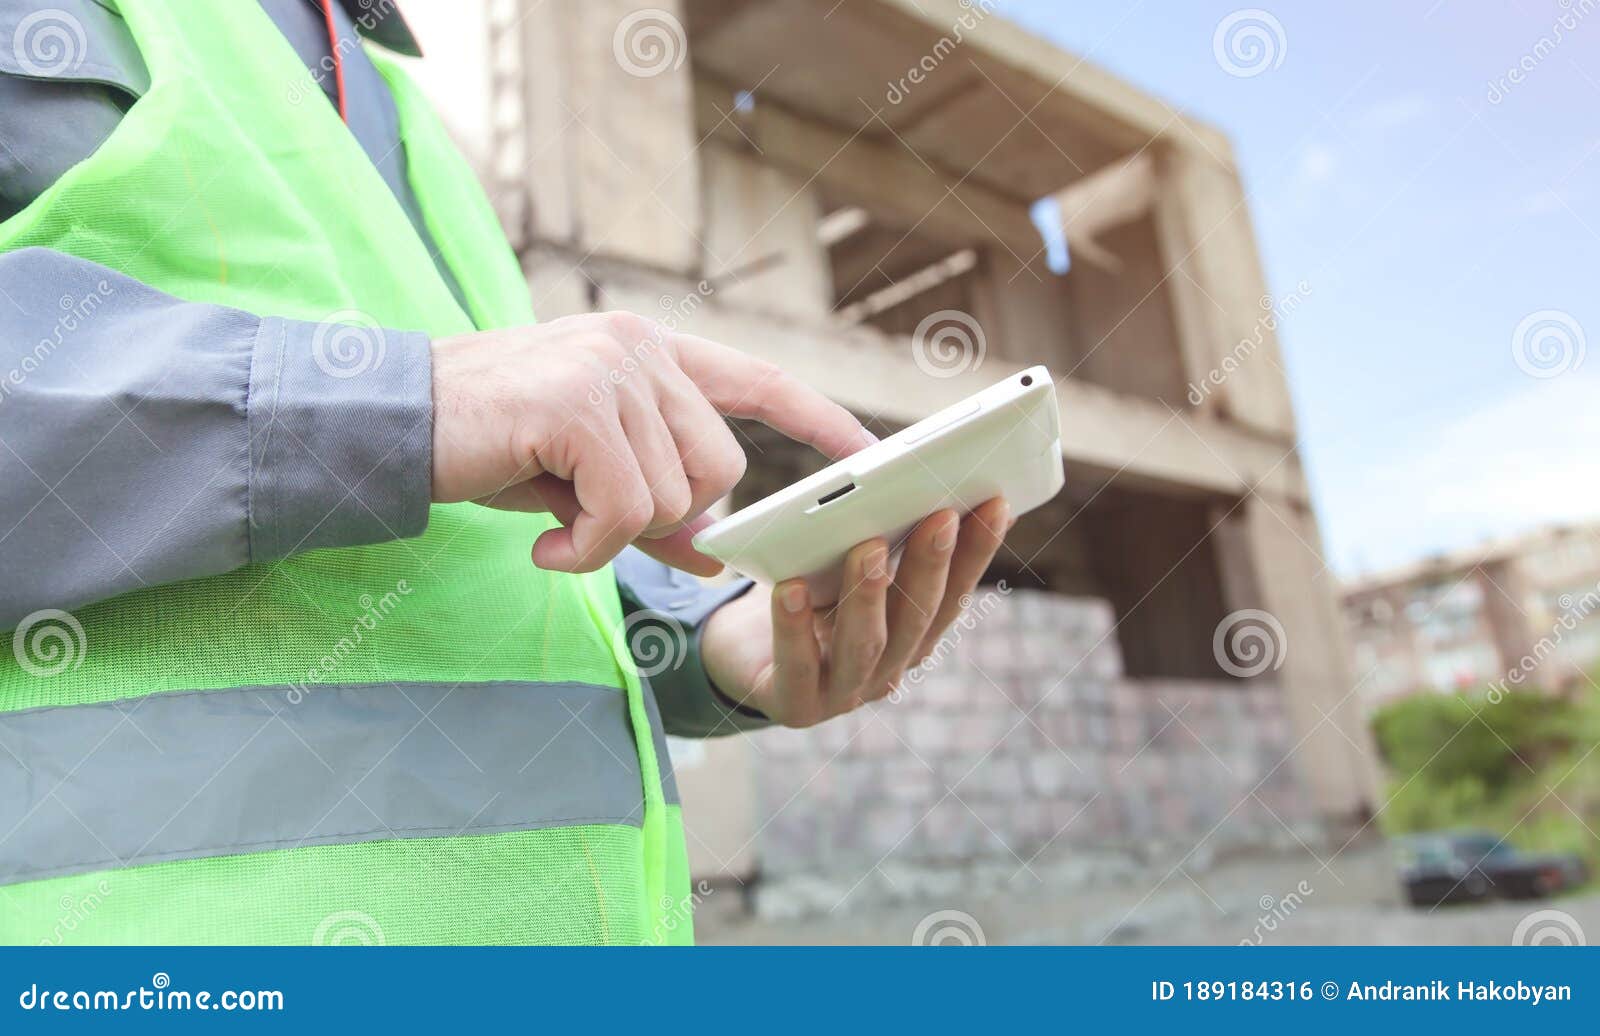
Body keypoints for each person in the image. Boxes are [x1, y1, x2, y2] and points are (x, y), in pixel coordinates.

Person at [0, 0, 1010, 944]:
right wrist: (400, 402)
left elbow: (471, 547)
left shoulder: (395, 100)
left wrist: (702, 645)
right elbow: (415, 420)